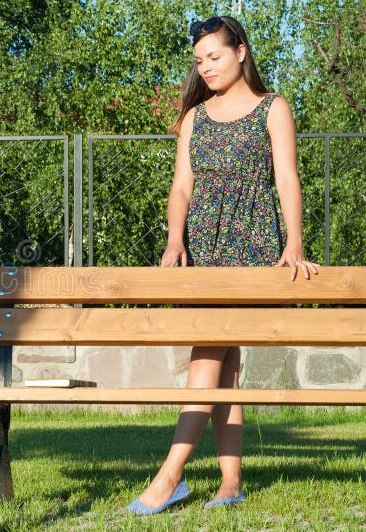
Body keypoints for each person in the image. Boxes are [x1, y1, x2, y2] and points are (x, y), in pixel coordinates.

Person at [126, 15, 319, 515]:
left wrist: (294, 243)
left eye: (214, 57)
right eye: (198, 61)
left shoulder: (273, 108)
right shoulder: (194, 117)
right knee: (223, 366)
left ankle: (170, 476)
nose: (206, 67)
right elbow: (182, 186)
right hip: (203, 248)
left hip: (252, 246)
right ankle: (230, 483)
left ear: (240, 52)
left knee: (205, 359)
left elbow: (287, 178)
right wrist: (173, 241)